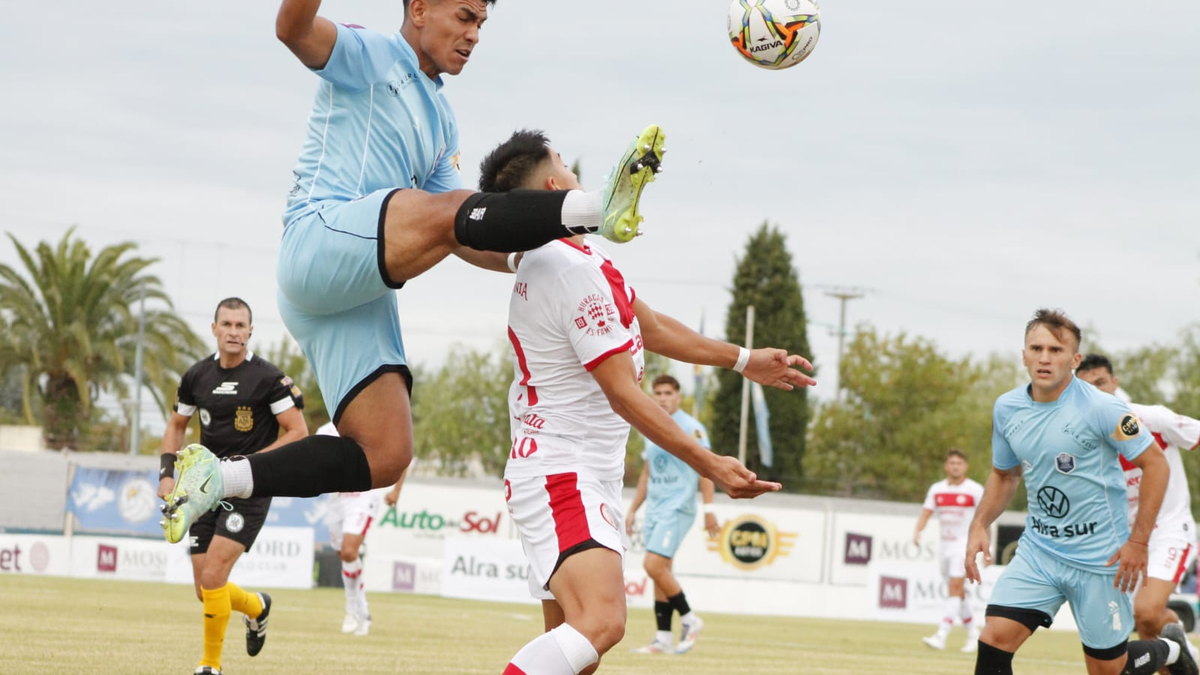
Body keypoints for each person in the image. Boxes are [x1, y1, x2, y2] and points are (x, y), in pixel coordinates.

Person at [161, 0, 669, 539]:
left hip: (355, 295)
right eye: (465, 16)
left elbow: (465, 232)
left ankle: (219, 477)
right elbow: (292, 28)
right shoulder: (369, 52)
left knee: (386, 455)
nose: (474, 34)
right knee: (449, 208)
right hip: (319, 243)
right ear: (420, 9)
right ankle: (596, 209)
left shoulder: (442, 121)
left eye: (481, 24)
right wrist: (580, 218)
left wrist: (538, 256)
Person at [480, 129, 816, 675]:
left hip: (570, 471)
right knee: (602, 623)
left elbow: (652, 327)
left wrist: (743, 358)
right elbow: (623, 393)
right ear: (551, 184)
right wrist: (710, 463)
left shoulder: (569, 259)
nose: (576, 173)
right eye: (564, 163)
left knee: (574, 651)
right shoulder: (571, 271)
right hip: (564, 472)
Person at [963, 309, 1196, 675]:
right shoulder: (1007, 408)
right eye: (1036, 348)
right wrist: (979, 524)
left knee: (1107, 670)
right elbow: (1004, 475)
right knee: (994, 639)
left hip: (1099, 560)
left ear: (1074, 360)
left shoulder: (1103, 408)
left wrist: (1137, 542)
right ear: (1023, 354)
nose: (1044, 357)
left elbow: (1157, 464)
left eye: (1056, 350)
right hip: (1040, 552)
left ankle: (1169, 650)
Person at [157, 298, 308, 675]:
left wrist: (251, 465)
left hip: (250, 489)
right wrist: (166, 473)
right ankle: (256, 607)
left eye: (241, 326)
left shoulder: (267, 378)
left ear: (250, 331)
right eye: (227, 324)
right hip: (203, 490)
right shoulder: (196, 377)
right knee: (204, 589)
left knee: (213, 577)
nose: (234, 332)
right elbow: (177, 426)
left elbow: (298, 432)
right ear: (214, 329)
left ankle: (210, 666)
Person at [1076, 354, 1200, 651]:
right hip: (1121, 540)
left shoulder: (1152, 418)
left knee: (1145, 611)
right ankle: (1187, 657)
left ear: (1115, 383)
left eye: (1101, 383)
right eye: (1087, 388)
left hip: (1169, 529)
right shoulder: (1080, 439)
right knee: (1146, 624)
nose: (1097, 392)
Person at [623, 374, 720, 655]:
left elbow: (707, 468)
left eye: (668, 393)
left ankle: (690, 619)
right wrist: (633, 509)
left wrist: (709, 509)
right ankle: (663, 638)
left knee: (652, 566)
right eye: (658, 393)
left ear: (678, 396)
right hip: (655, 508)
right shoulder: (650, 425)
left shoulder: (693, 428)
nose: (662, 398)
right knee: (661, 571)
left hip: (679, 508)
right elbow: (648, 472)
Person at [315, 421, 409, 636]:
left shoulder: (369, 424)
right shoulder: (325, 431)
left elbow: (402, 454)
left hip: (363, 497)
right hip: (336, 499)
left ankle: (351, 610)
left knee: (349, 551)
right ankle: (363, 612)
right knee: (344, 556)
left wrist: (396, 491)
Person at [913, 448, 985, 653]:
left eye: (959, 463)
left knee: (954, 589)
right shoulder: (936, 489)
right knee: (958, 593)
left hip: (963, 546)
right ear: (946, 466)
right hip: (944, 546)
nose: (955, 466)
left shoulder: (974, 490)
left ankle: (941, 635)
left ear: (965, 467)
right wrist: (918, 531)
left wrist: (984, 544)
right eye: (952, 463)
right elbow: (926, 513)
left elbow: (983, 519)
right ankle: (973, 635)